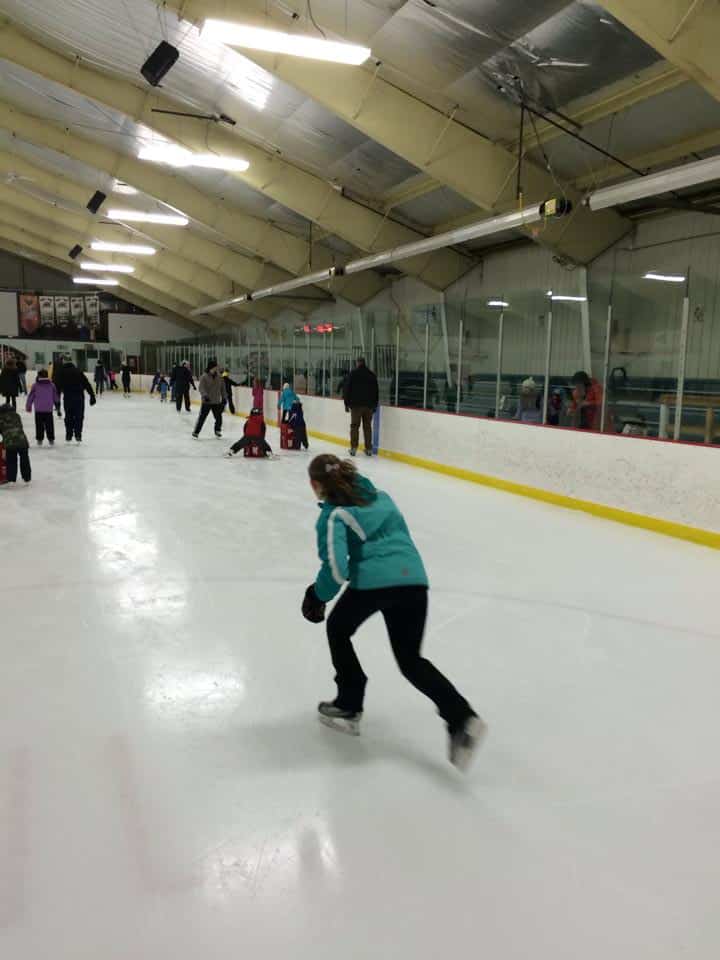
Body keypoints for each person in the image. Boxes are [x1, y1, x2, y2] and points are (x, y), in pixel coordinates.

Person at [301, 454, 485, 771]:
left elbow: (336, 569)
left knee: (337, 628)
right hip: (413, 580)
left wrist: (316, 595)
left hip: (373, 584)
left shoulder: (334, 515)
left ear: (315, 485)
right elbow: (400, 538)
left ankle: (349, 704)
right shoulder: (382, 498)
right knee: (411, 660)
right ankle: (461, 717)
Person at [343, 357, 379, 457]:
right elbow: (376, 391)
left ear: (358, 363)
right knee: (367, 427)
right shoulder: (372, 375)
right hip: (369, 406)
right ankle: (369, 449)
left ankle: (354, 448)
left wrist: (346, 403)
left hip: (356, 406)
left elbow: (347, 389)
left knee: (355, 426)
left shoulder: (353, 374)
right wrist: (374, 405)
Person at [54, 358, 96, 443]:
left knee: (68, 416)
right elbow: (86, 383)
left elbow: (57, 387)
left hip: (68, 398)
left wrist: (56, 401)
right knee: (79, 416)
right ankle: (78, 435)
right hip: (79, 397)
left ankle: (69, 435)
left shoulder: (61, 372)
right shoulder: (78, 371)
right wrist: (92, 396)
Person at [192, 359, 226, 439]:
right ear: (211, 368)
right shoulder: (204, 376)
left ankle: (217, 430)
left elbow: (223, 388)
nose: (216, 369)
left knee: (219, 417)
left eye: (216, 367)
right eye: (215, 367)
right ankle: (196, 432)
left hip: (216, 401)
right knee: (202, 417)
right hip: (207, 401)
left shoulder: (219, 377)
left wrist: (224, 398)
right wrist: (205, 396)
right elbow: (201, 388)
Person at [0, 400, 31, 484]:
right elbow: (20, 426)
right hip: (22, 440)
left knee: (11, 460)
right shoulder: (17, 416)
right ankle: (27, 477)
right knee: (24, 459)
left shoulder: (1, 419)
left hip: (10, 443)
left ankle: (11, 478)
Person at [26, 369, 59, 446]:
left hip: (39, 409)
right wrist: (57, 404)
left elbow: (31, 396)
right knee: (49, 424)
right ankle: (51, 438)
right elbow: (55, 396)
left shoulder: (35, 385)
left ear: (39, 375)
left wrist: (28, 406)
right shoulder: (52, 385)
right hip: (48, 409)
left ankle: (40, 439)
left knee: (39, 425)